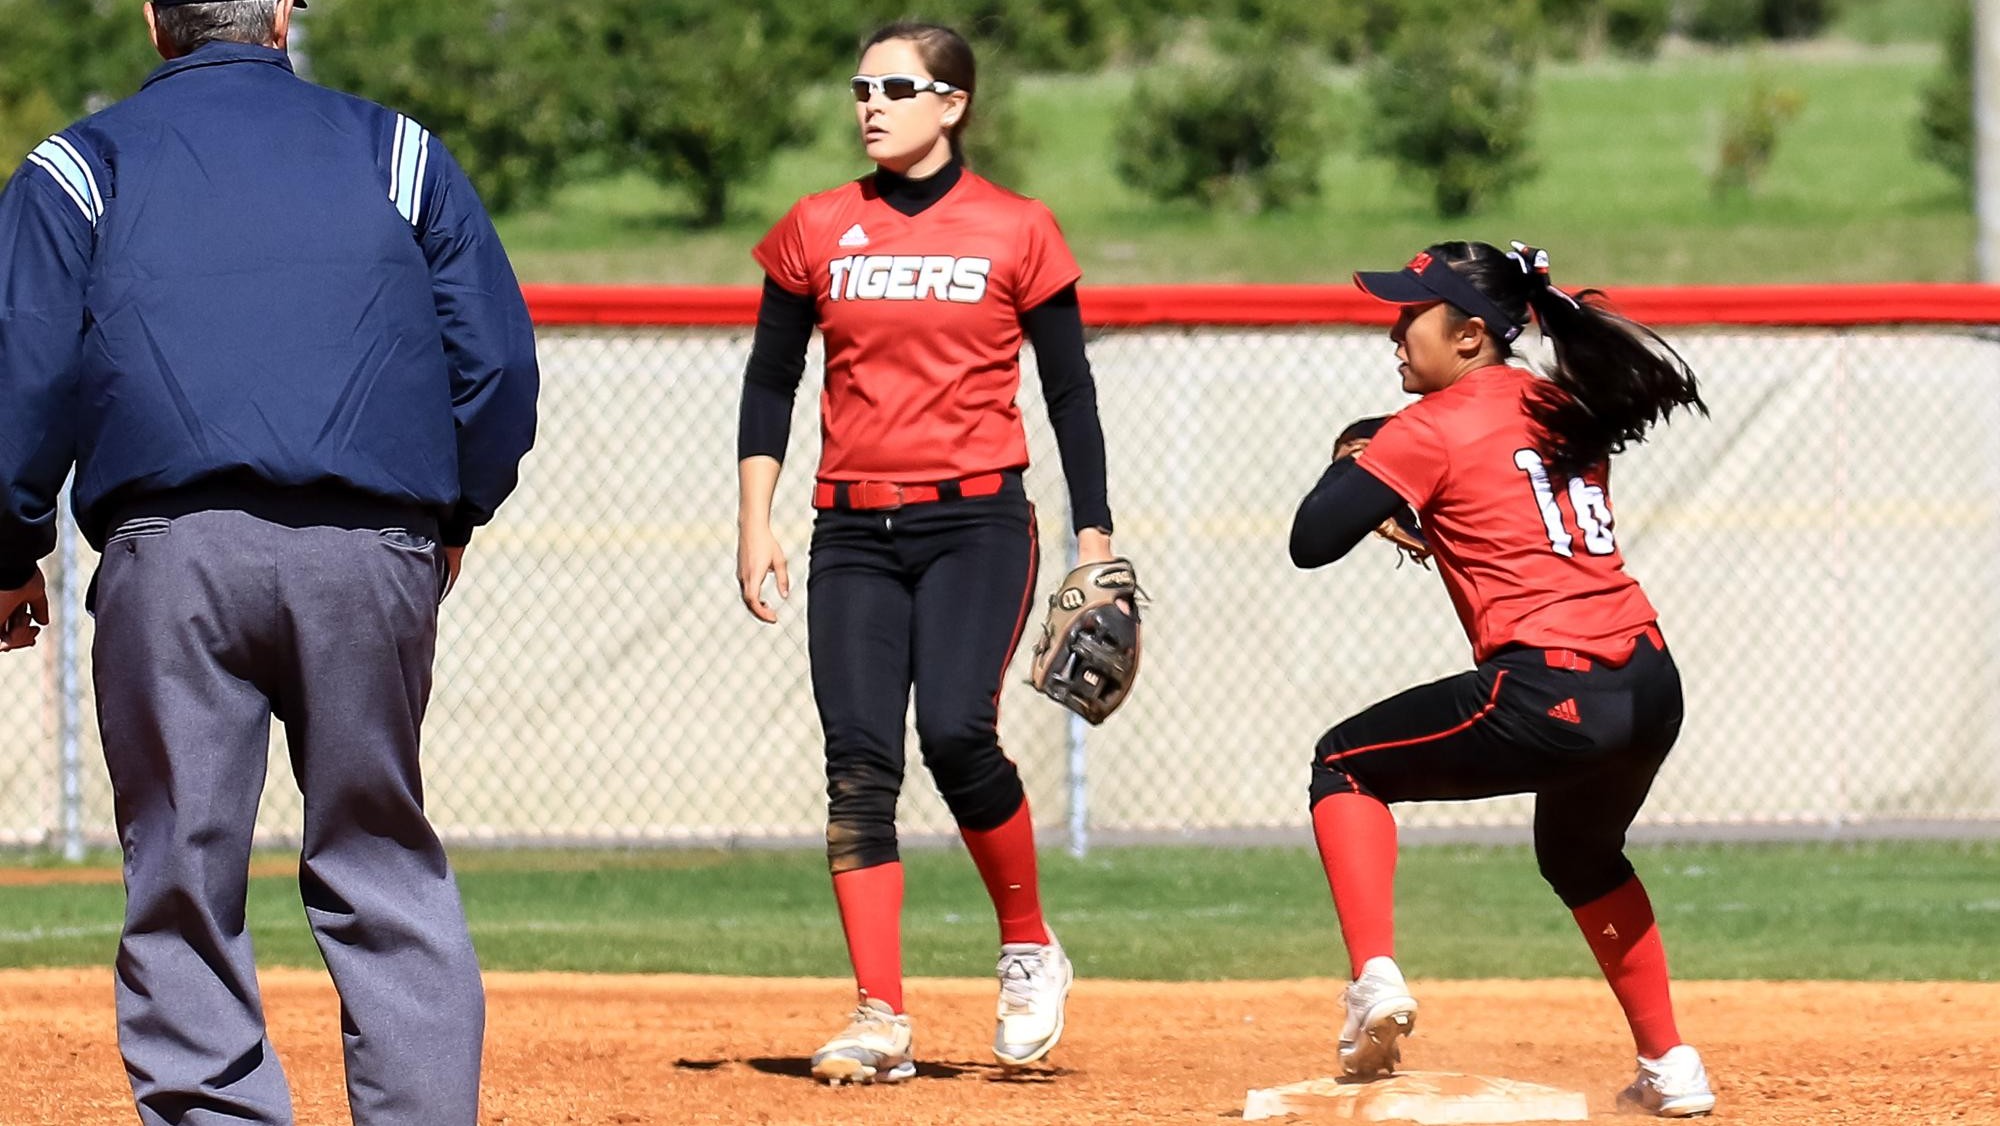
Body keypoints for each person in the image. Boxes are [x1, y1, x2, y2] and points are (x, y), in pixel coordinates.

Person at [0, 2, 538, 1123]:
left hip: (173, 555)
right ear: (284, 15)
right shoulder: (398, 151)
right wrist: (452, 518)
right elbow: (493, 367)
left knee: (185, 870)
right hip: (369, 547)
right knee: (379, 850)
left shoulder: (76, 166)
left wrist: (11, 544)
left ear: (157, 23)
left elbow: (26, 374)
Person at [734, 20, 1116, 1085]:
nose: (871, 104)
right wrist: (753, 517)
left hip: (977, 519)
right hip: (850, 526)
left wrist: (1094, 535)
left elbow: (1069, 391)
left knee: (955, 730)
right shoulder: (816, 228)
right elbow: (769, 383)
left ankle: (1028, 946)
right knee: (858, 760)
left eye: (897, 87)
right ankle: (878, 1014)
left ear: (951, 103)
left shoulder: (1015, 228)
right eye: (861, 86)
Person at [1288, 241, 1716, 1117]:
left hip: (1551, 689)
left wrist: (1354, 456)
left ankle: (1374, 980)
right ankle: (1671, 1065)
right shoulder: (1560, 402)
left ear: (1473, 334)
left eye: (1413, 314)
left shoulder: (1429, 427)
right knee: (1581, 854)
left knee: (1345, 763)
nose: (1397, 330)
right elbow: (1502, 495)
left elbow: (1311, 539)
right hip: (1648, 679)